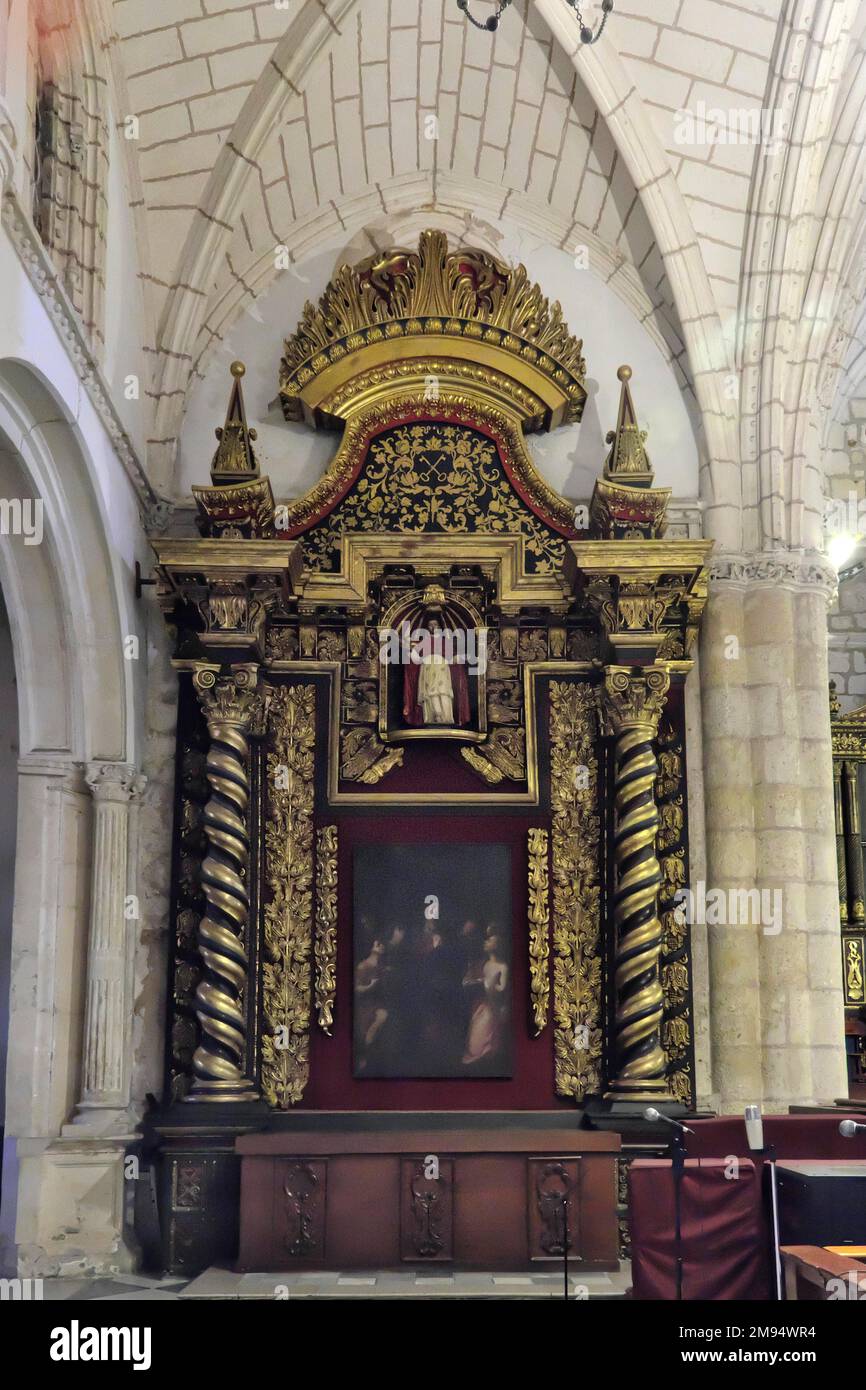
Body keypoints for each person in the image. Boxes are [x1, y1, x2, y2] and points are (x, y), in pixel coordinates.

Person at [403, 615, 471, 727]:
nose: (433, 627)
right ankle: (433, 718)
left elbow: (451, 659)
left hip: (442, 670)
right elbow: (416, 659)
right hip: (427, 670)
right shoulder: (423, 642)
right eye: (430, 625)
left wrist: (463, 657)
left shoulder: (446, 642)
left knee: (444, 693)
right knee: (430, 695)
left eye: (435, 624)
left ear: (439, 627)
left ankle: (445, 719)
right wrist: (410, 653)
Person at [462, 931, 509, 1068]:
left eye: (489, 941)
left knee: (487, 1028)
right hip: (482, 1004)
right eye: (486, 940)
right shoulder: (485, 963)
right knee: (475, 1030)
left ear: (497, 944)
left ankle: (486, 1054)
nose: (486, 943)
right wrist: (478, 981)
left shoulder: (502, 966)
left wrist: (491, 984)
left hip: (493, 1004)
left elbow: (502, 987)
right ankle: (477, 1054)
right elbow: (473, 979)